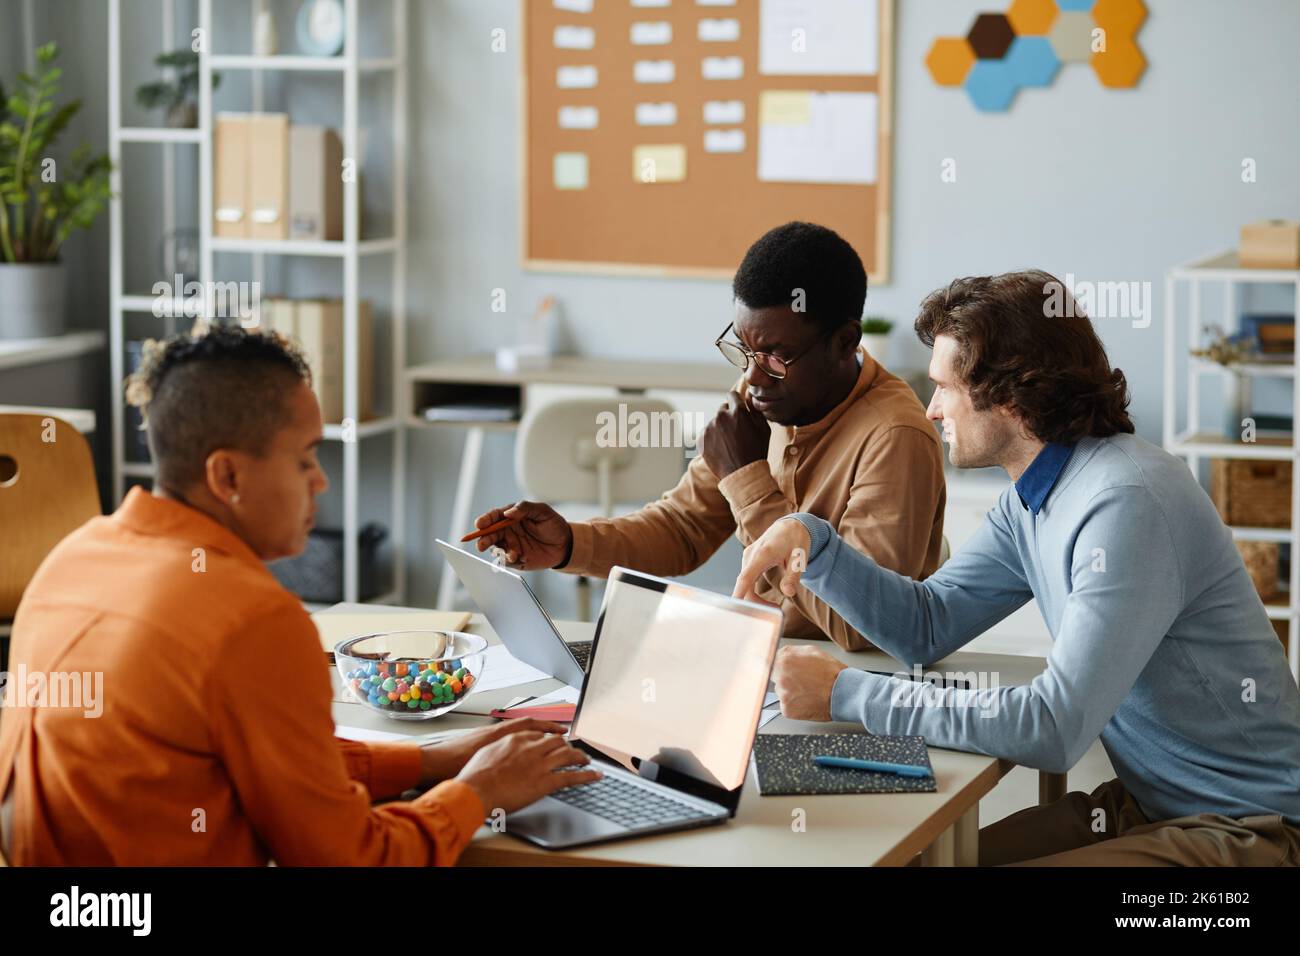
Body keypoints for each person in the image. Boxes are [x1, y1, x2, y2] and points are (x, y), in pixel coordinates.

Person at [734, 270, 1300, 865]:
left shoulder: (1126, 500)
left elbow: (1055, 726)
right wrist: (815, 542)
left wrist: (847, 693)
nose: (930, 411)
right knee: (924, 859)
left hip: (1251, 831)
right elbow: (927, 624)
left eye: (944, 388)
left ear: (1009, 394)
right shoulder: (1033, 496)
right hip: (1151, 806)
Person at [0, 326, 600, 866]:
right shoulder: (251, 618)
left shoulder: (72, 557)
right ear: (227, 477)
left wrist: (431, 761)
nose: (323, 481)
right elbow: (351, 859)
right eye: (306, 458)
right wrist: (477, 793)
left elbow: (252, 763)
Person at [472, 221, 945, 651]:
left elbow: (862, 629)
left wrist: (746, 478)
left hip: (856, 685)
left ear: (845, 342)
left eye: (777, 357)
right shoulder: (764, 392)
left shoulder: (895, 436)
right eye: (744, 349)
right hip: (770, 664)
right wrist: (570, 544)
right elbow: (683, 530)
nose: (754, 378)